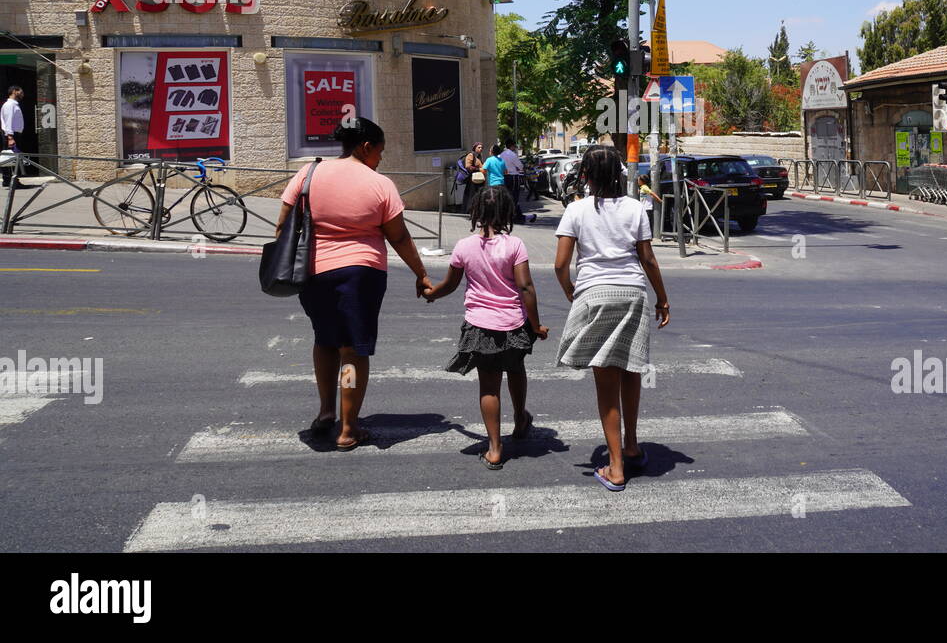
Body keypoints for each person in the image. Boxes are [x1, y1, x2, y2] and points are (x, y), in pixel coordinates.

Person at [275, 117, 435, 451]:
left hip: (313, 273)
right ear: (365, 147)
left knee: (324, 340)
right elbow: (399, 236)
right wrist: (420, 273)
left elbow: (282, 225)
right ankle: (348, 428)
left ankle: (326, 411)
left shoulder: (309, 173)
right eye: (380, 152)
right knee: (351, 350)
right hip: (360, 274)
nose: (380, 159)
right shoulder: (379, 183)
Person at [553, 146, 670, 492]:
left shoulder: (575, 210)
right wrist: (662, 298)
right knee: (631, 372)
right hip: (633, 294)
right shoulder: (635, 208)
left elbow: (560, 264)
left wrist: (570, 291)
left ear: (586, 176)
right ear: (619, 173)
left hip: (595, 295)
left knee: (606, 387)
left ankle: (616, 467)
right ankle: (631, 445)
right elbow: (647, 259)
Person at [424, 185, 548, 468]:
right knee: (516, 370)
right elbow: (525, 287)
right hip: (513, 324)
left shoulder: (464, 246)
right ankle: (520, 419)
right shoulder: (514, 245)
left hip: (480, 326)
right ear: (506, 212)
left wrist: (431, 294)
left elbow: (450, 285)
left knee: (489, 386)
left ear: (476, 212)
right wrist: (537, 325)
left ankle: (494, 448)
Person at [2, 85, 27, 189]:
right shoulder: (9, 105)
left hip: (14, 134)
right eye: (21, 91)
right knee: (10, 158)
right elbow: (8, 121)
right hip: (11, 134)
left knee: (13, 158)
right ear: (14, 91)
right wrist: (10, 137)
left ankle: (10, 180)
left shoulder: (14, 104)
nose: (22, 94)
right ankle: (9, 181)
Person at [460, 142, 485, 214]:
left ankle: (477, 211)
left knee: (478, 195)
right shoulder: (471, 155)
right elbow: (468, 166)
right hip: (472, 180)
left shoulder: (479, 156)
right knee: (471, 196)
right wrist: (478, 169)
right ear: (475, 148)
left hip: (479, 179)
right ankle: (469, 211)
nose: (481, 149)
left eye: (481, 148)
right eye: (479, 147)